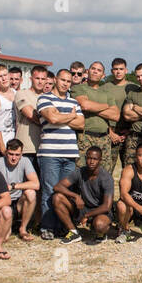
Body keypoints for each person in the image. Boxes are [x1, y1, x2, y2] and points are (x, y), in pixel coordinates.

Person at [36, 69, 85, 239]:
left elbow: (81, 124)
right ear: (55, 79)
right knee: (49, 190)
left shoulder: (73, 101)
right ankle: (47, 227)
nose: (65, 83)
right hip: (50, 153)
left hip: (70, 153)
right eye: (62, 80)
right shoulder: (44, 98)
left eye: (69, 81)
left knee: (65, 191)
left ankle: (63, 226)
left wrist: (61, 116)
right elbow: (52, 119)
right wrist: (71, 116)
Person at [54, 145, 114, 243]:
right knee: (57, 197)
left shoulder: (106, 178)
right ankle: (73, 232)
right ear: (85, 158)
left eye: (95, 159)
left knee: (100, 225)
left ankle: (100, 233)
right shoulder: (80, 172)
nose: (91, 161)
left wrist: (87, 215)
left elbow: (107, 206)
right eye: (89, 158)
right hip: (84, 208)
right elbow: (57, 187)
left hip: (100, 210)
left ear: (100, 160)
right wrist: (75, 196)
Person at [72, 60, 122, 175]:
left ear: (103, 75)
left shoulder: (107, 93)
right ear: (87, 71)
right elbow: (85, 105)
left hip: (104, 139)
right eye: (93, 69)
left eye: (99, 70)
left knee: (104, 174)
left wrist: (92, 108)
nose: (95, 72)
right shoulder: (79, 88)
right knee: (83, 172)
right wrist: (105, 106)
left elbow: (116, 115)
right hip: (85, 137)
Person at [0, 139, 39, 242]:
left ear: (21, 153)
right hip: (3, 202)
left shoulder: (25, 161)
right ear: (6, 152)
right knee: (4, 238)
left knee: (31, 193)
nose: (14, 158)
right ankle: (7, 226)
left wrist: (13, 186)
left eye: (17, 155)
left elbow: (36, 184)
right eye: (11, 154)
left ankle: (23, 228)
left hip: (17, 202)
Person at [14, 65, 50, 183]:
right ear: (31, 79)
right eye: (37, 78)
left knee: (42, 186)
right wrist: (51, 119)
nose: (40, 82)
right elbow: (31, 116)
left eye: (43, 79)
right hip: (27, 148)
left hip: (44, 148)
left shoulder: (48, 98)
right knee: (26, 186)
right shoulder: (21, 94)